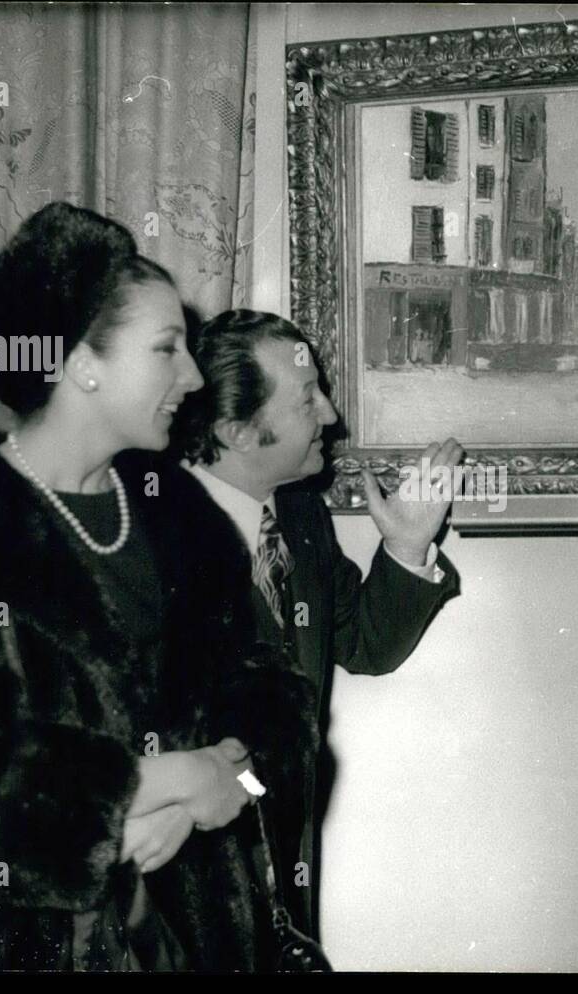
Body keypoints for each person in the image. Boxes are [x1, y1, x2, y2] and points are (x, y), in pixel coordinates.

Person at [0, 203, 315, 971]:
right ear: (80, 364)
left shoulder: (178, 512)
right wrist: (165, 782)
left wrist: (223, 792)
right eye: (167, 349)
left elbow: (275, 701)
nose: (192, 378)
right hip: (14, 947)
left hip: (199, 938)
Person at [169, 309, 462, 936]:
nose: (331, 415)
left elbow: (361, 643)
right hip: (184, 909)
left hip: (282, 895)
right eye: (308, 398)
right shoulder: (151, 538)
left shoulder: (299, 515)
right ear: (239, 430)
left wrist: (407, 548)